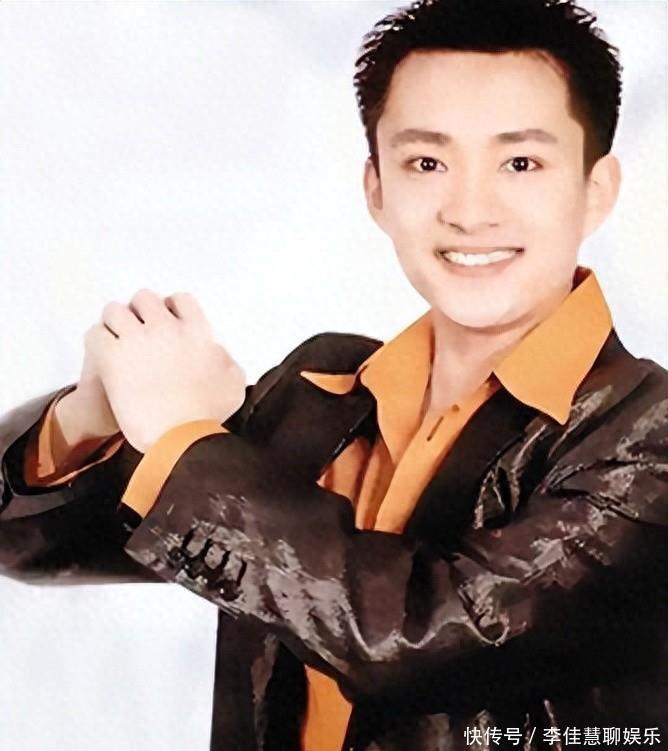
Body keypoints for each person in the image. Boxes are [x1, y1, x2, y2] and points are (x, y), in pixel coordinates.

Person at [1, 0, 667, 749]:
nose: (470, 210)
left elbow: (424, 639)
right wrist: (90, 415)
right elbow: (34, 542)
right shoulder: (321, 389)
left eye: (521, 163)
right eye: (427, 163)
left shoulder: (646, 433)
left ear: (598, 189)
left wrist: (181, 437)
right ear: (376, 188)